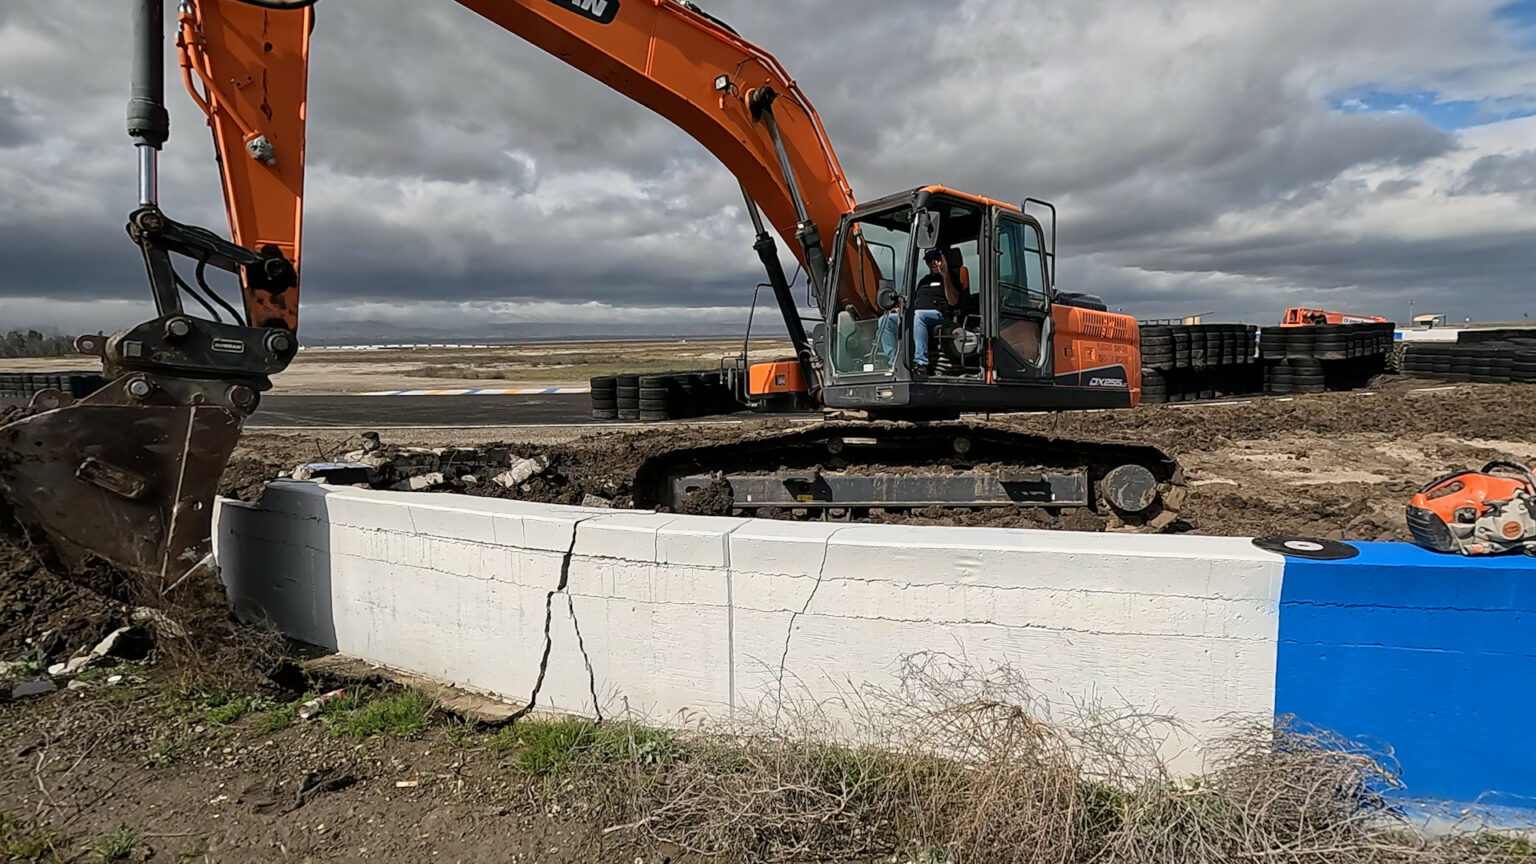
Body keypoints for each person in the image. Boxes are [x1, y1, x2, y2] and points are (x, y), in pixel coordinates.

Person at [878, 247, 961, 374]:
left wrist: (945, 275)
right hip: (917, 312)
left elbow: (953, 301)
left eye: (937, 258)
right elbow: (914, 302)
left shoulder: (951, 277)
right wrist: (900, 309)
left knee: (916, 316)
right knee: (885, 320)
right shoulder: (923, 281)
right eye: (929, 259)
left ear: (943, 259)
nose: (933, 262)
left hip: (940, 315)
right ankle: (892, 361)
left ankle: (921, 363)